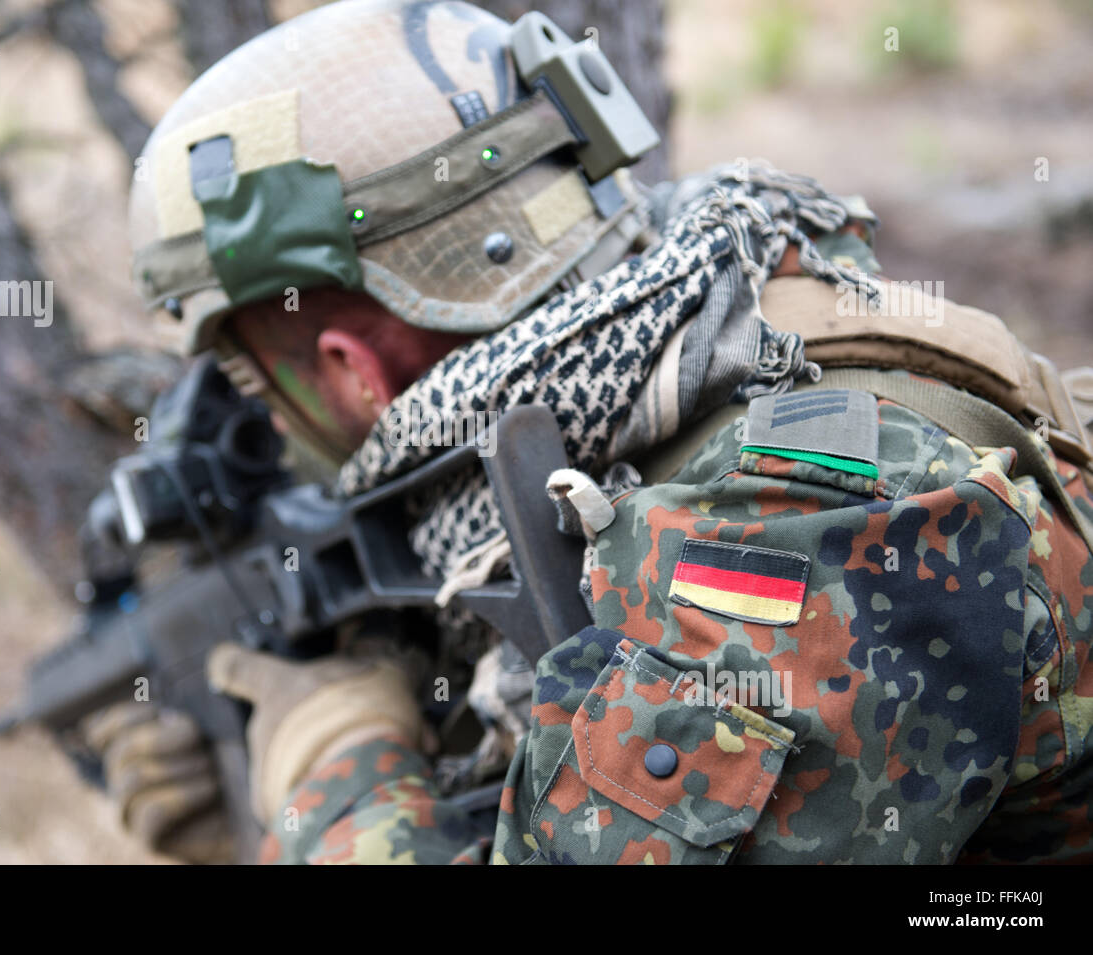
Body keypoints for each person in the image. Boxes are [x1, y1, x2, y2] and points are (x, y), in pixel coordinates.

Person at [85, 0, 1093, 864]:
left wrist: (325, 772)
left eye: (254, 380)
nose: (265, 417)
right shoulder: (699, 340)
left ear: (352, 370)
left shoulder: (803, 525)